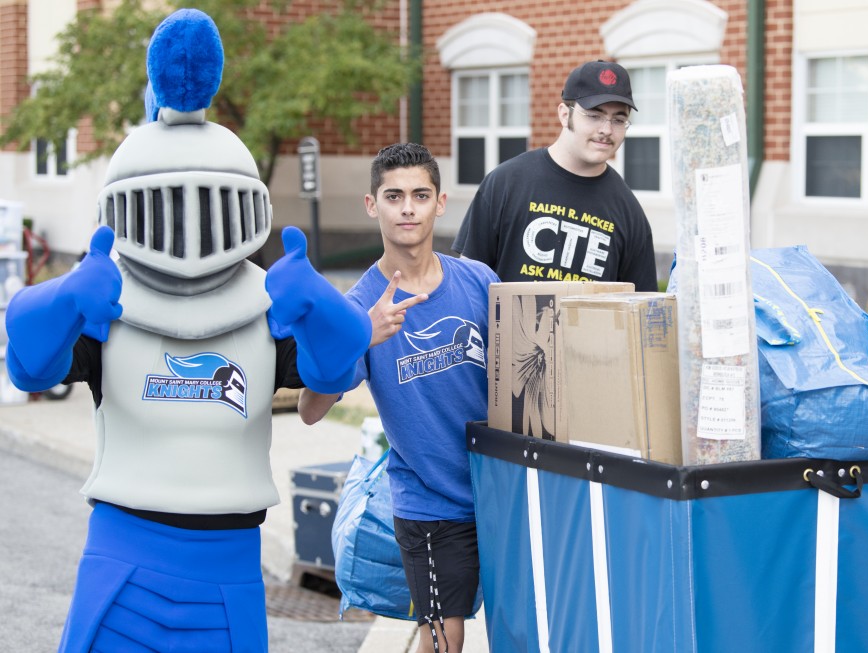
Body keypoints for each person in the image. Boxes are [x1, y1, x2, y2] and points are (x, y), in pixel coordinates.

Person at [4, 11, 370, 652]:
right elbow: (27, 364)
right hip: (122, 559)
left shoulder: (266, 306)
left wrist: (321, 304)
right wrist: (66, 296)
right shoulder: (106, 303)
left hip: (229, 573)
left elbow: (334, 371)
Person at [299, 143, 499, 653]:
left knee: (522, 624)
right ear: (373, 205)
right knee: (442, 638)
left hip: (502, 494)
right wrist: (359, 336)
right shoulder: (357, 307)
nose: (407, 207)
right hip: (429, 501)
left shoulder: (480, 283)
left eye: (419, 194)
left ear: (440, 202)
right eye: (394, 196)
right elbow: (310, 410)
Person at [452, 59, 659, 291]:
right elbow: (467, 285)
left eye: (619, 119)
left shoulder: (629, 213)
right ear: (564, 114)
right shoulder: (506, 183)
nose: (606, 130)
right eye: (593, 115)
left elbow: (641, 311)